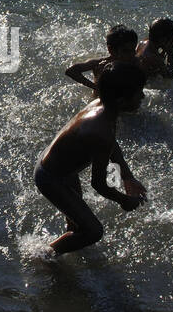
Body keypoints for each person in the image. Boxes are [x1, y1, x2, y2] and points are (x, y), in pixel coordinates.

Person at [35, 61, 148, 255]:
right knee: (93, 231)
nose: (143, 97)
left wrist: (127, 176)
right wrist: (123, 200)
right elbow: (98, 184)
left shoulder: (103, 105)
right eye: (139, 93)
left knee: (77, 223)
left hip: (61, 168)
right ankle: (43, 257)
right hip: (51, 177)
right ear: (122, 100)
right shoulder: (101, 130)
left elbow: (111, 143)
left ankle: (66, 244)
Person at [66, 24, 138, 91]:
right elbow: (71, 71)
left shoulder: (135, 62)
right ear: (111, 50)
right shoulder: (101, 64)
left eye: (133, 49)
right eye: (126, 51)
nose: (133, 54)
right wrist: (96, 88)